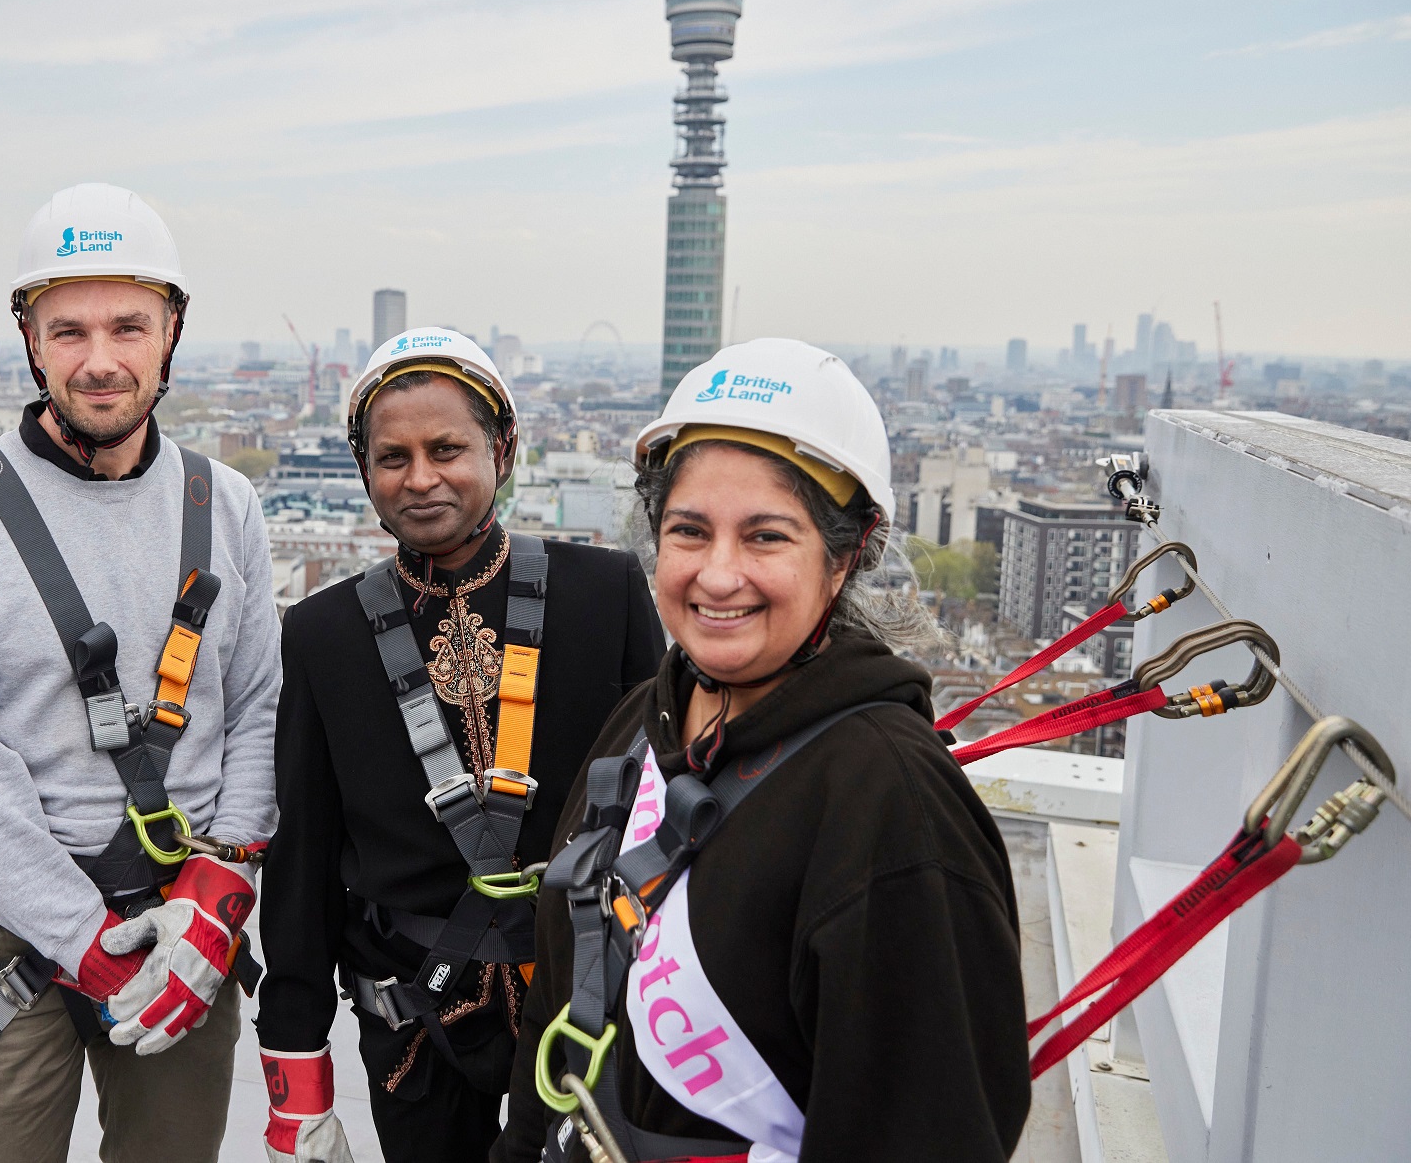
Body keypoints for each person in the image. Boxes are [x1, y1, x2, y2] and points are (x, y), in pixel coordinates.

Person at [497, 338, 1031, 1163]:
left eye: (766, 537)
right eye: (689, 531)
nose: (717, 575)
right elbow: (563, 1021)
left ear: (847, 554)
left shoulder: (891, 809)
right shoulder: (649, 723)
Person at [0, 183, 281, 1163]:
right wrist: (84, 941)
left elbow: (258, 705)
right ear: (28, 338)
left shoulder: (224, 505)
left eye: (128, 325)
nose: (99, 360)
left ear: (171, 328)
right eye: (68, 331)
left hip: (184, 914)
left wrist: (220, 881)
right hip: (3, 927)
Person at [254, 329, 665, 1163]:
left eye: (447, 449)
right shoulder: (324, 634)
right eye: (393, 457)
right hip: (414, 1033)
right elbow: (303, 861)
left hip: (578, 1010)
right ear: (364, 471)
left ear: (503, 449)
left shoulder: (607, 594)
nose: (420, 479)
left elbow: (662, 800)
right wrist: (295, 1079)